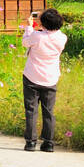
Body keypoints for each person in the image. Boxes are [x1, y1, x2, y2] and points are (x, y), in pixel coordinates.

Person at [21, 8, 66, 152]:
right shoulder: (62, 38)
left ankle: (31, 142)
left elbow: (25, 43)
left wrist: (29, 27)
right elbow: (49, 36)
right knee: (48, 111)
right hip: (51, 78)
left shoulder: (37, 36)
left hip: (32, 77)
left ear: (44, 23)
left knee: (31, 110)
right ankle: (48, 143)